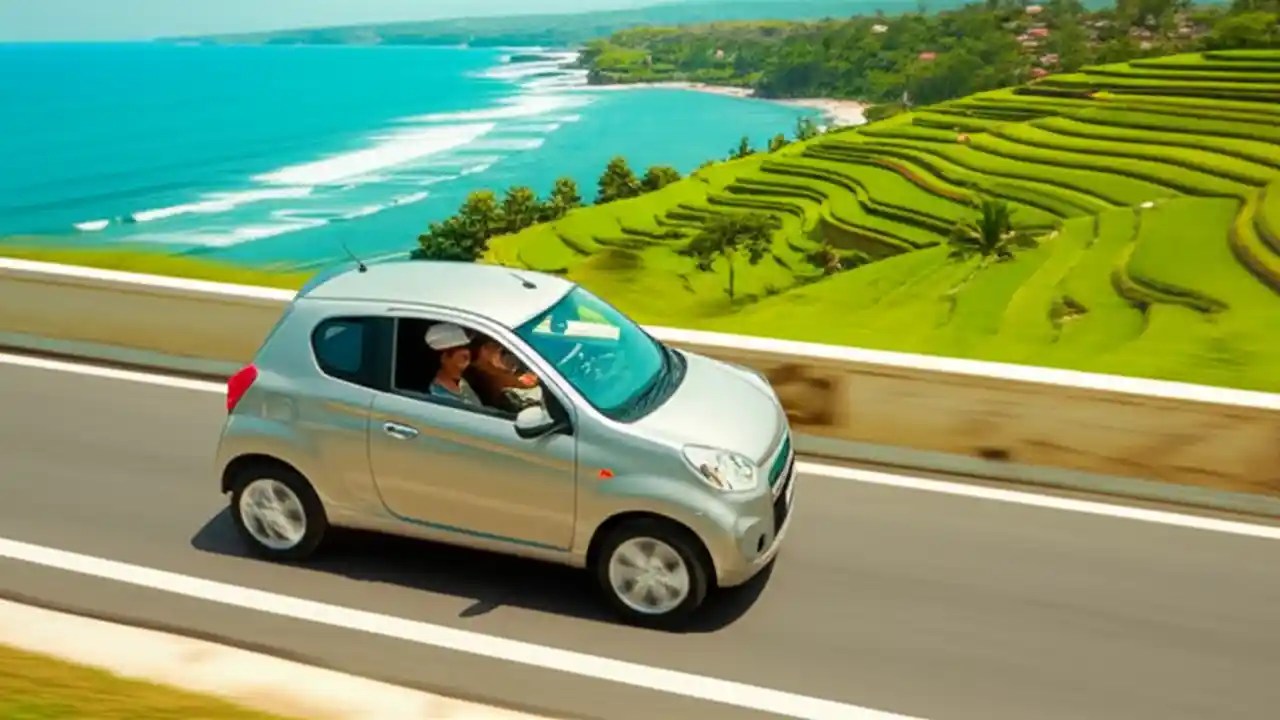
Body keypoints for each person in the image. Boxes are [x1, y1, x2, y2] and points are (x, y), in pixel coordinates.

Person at [468, 334, 543, 413]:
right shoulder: (488, 374)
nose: (499, 350)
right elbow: (529, 382)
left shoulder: (487, 368)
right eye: (495, 347)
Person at [424, 323, 483, 407]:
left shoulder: (462, 385)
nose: (468, 362)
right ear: (444, 357)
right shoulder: (440, 399)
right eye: (464, 357)